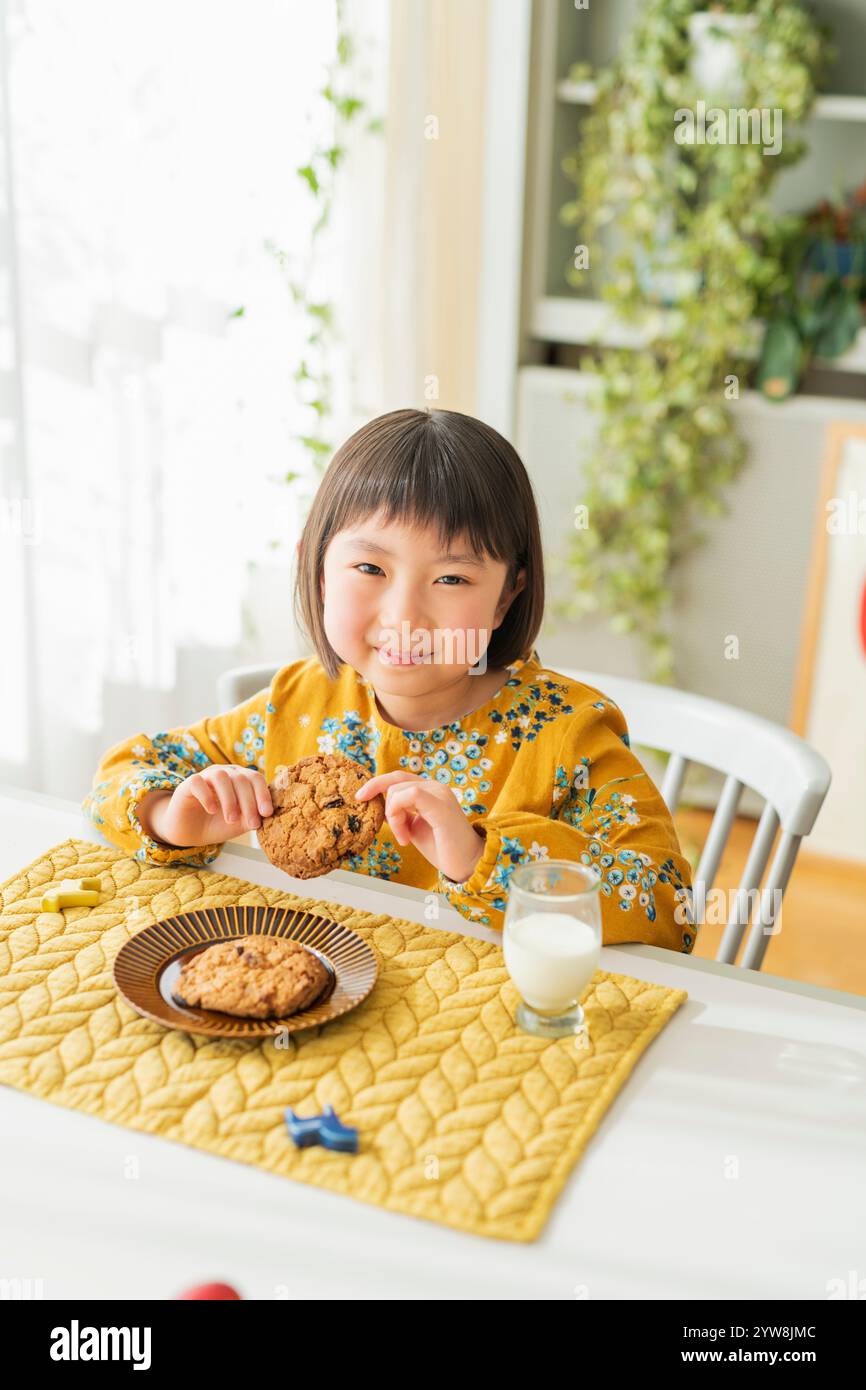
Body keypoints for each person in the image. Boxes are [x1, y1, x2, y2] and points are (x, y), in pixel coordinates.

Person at [83, 407, 696, 950]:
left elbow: (669, 906)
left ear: (508, 595)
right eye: (371, 566)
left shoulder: (565, 734)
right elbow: (117, 776)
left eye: (452, 579)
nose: (405, 616)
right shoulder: (298, 704)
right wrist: (174, 816)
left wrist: (483, 857)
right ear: (318, 566)